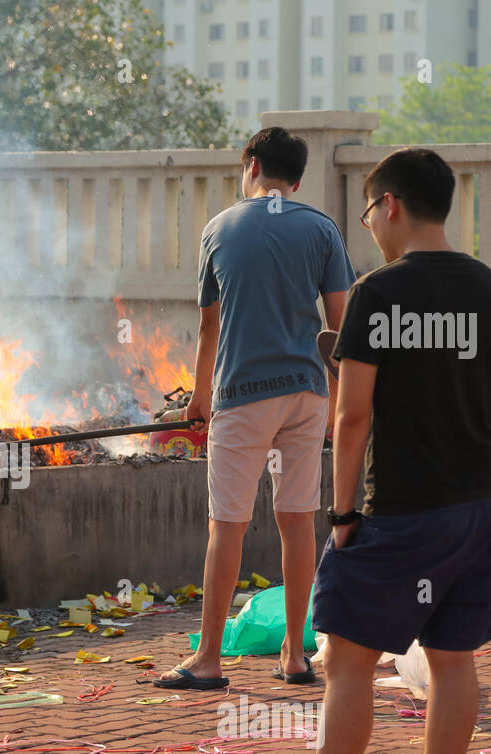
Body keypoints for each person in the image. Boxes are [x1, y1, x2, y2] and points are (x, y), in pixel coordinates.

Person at [242, 148, 491, 754]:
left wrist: (341, 514)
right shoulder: (489, 288)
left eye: (368, 211)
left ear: (390, 204)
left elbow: (351, 414)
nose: (369, 225)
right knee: (455, 658)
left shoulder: (378, 293)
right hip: (481, 501)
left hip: (403, 506)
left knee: (347, 659)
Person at [157, 127, 354, 691]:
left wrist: (198, 397)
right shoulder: (321, 228)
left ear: (250, 165)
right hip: (307, 393)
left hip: (241, 395)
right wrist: (341, 404)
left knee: (228, 527)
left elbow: (208, 324)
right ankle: (297, 654)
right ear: (296, 179)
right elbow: (338, 325)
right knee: (297, 523)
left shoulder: (219, 229)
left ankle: (209, 661)